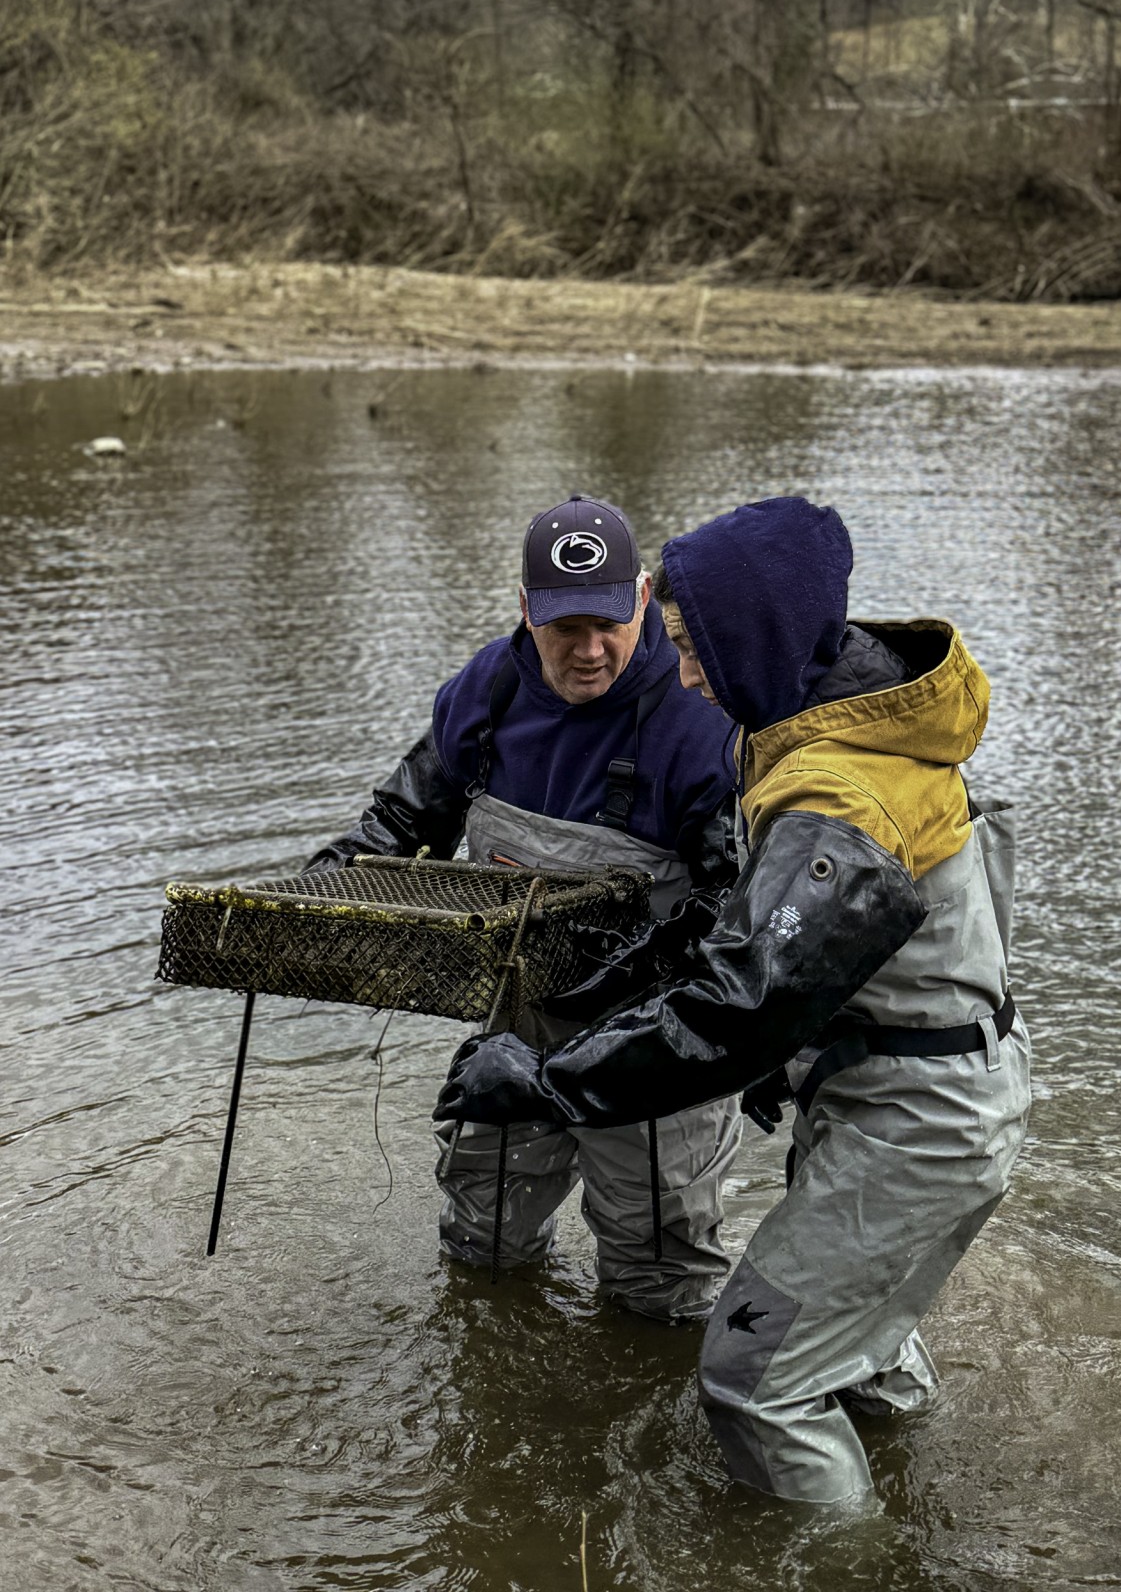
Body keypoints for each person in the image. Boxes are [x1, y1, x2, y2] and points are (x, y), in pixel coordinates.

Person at [435, 495, 1032, 1507]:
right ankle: (916, 1496)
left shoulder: (838, 789)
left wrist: (543, 1079)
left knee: (751, 1381)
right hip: (930, 1093)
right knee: (862, 1357)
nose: (693, 676)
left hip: (913, 1126)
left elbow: (733, 1008)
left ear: (752, 638)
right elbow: (825, 943)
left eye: (698, 648)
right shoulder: (870, 727)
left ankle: (840, 1568)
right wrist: (780, 1050)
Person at [308, 493, 743, 1322]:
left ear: (644, 600)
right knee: (480, 1250)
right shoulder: (488, 689)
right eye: (563, 627)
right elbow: (401, 822)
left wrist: (594, 1039)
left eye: (609, 623)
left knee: (656, 1291)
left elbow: (730, 923)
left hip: (651, 1042)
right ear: (524, 611)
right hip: (514, 1031)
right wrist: (327, 883)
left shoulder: (702, 721)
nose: (588, 651)